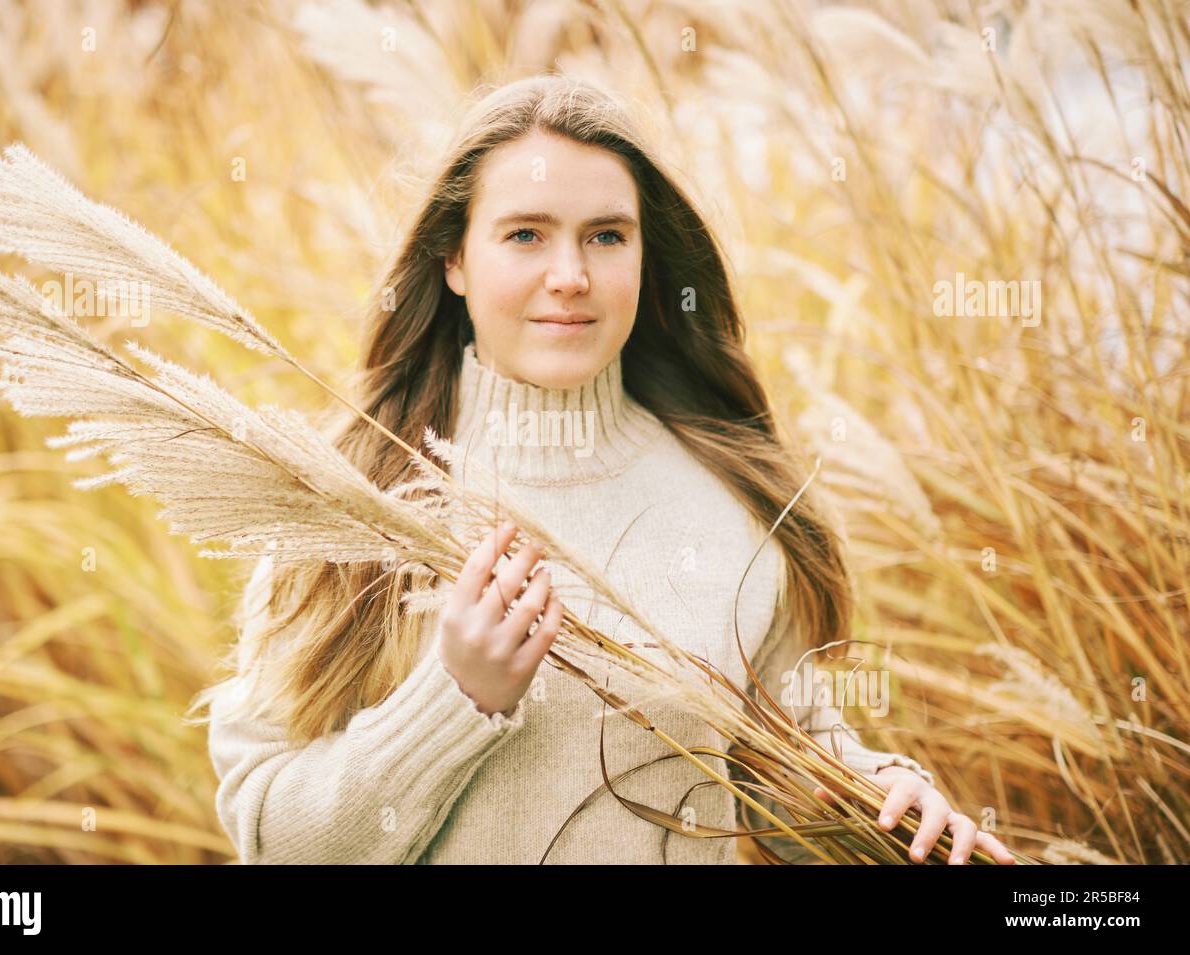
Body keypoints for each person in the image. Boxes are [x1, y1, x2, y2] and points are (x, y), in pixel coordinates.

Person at [195, 73, 1015, 866]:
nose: (571, 276)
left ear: (644, 256)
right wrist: (453, 696)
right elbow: (272, 838)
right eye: (525, 234)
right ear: (453, 259)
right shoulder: (348, 491)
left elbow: (788, 777)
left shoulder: (732, 497)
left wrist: (883, 793)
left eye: (606, 235)